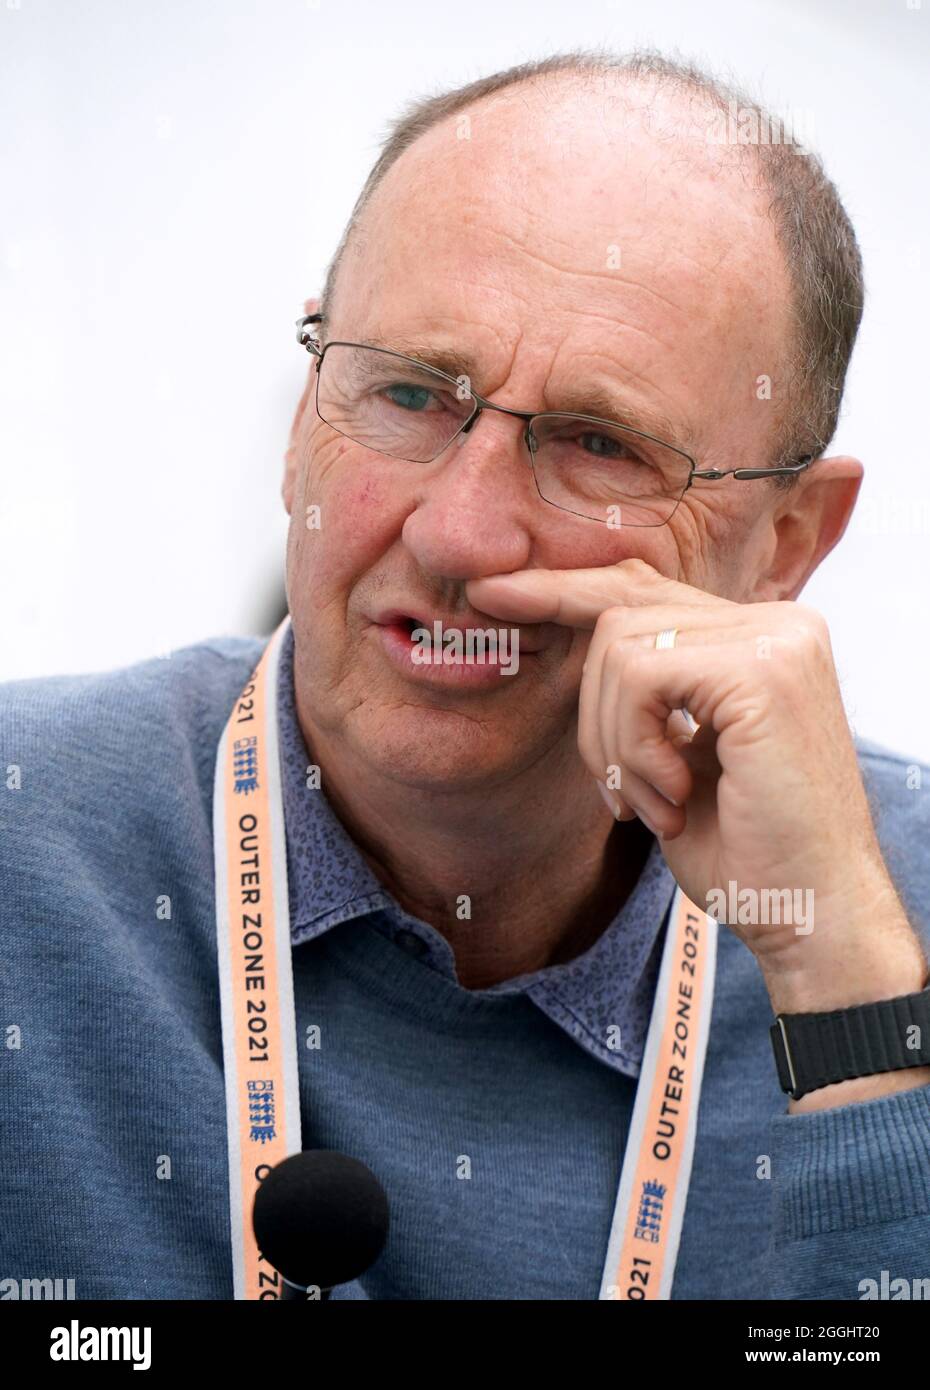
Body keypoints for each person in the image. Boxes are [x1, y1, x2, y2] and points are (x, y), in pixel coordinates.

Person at [3, 48, 929, 1302]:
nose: (458, 536)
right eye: (406, 393)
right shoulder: (27, 850)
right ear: (299, 429)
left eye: (600, 444)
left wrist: (847, 988)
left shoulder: (889, 912)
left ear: (785, 545)